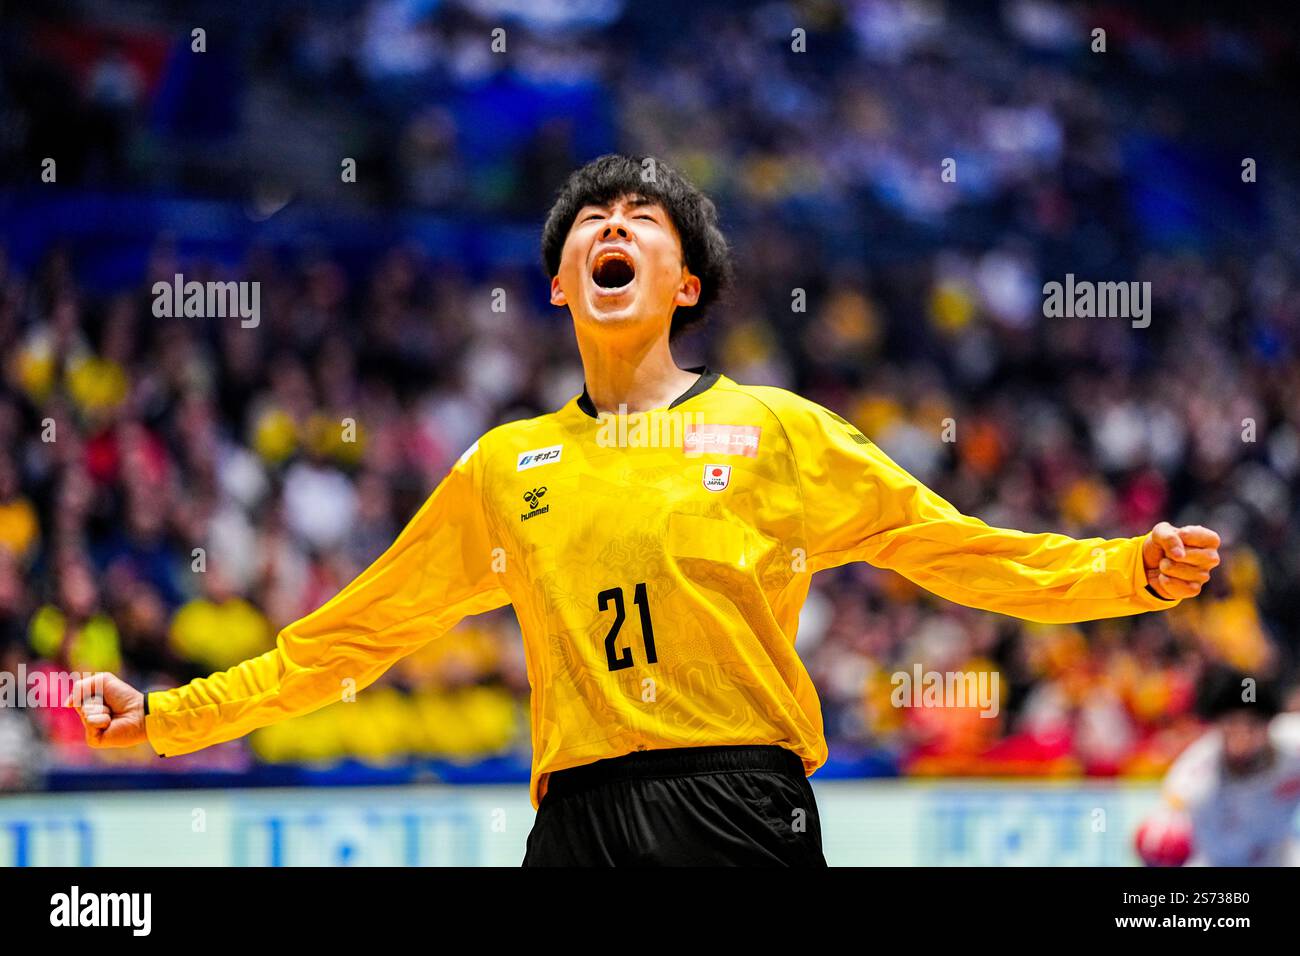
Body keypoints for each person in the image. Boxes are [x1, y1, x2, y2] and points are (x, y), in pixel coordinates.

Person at [67, 154, 1222, 866]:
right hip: (573, 819)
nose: (613, 224)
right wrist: (170, 720)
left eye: (643, 218)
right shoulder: (505, 466)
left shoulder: (781, 432)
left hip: (737, 804)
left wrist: (1127, 572)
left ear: (686, 285)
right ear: (560, 281)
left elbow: (960, 554)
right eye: (592, 218)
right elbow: (349, 639)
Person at [1137, 671, 1300, 867]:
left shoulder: (1293, 744)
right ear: (1216, 726)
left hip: (1279, 858)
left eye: (1252, 724)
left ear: (1268, 725)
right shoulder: (1194, 777)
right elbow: (1158, 837)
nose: (1242, 736)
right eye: (1231, 724)